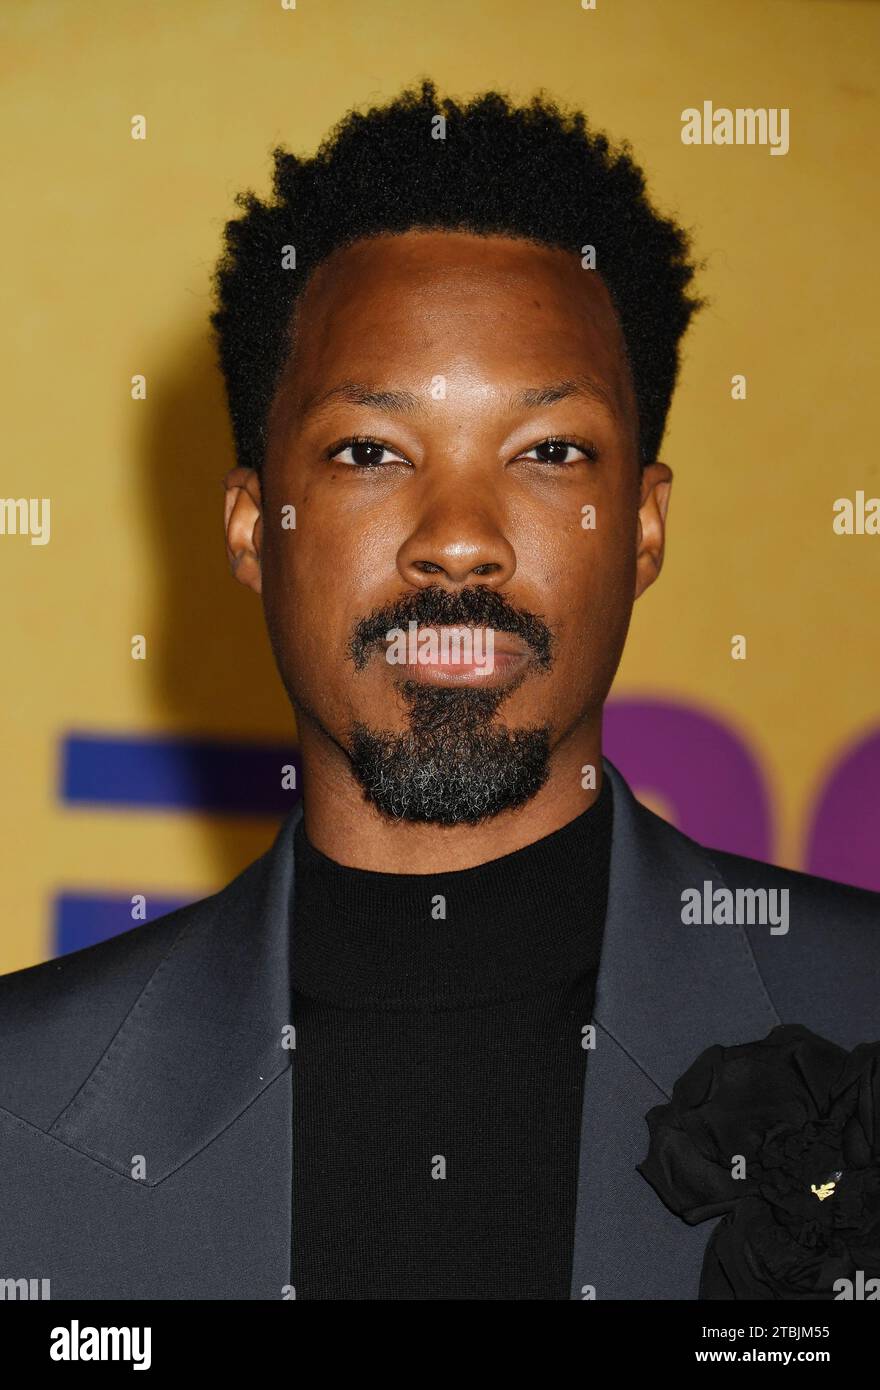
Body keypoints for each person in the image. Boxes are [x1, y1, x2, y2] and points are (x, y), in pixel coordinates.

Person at [1, 81, 877, 1301]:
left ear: (642, 525)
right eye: (369, 452)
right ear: (255, 526)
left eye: (548, 452)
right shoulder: (17, 1105)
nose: (459, 539)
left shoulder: (858, 1009)